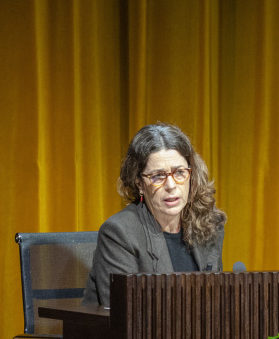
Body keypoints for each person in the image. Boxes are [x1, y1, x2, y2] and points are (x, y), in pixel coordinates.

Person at [83, 123, 226, 307]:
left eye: (180, 173)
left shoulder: (208, 225)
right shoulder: (120, 233)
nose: (171, 185)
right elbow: (126, 316)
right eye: (158, 176)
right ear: (140, 183)